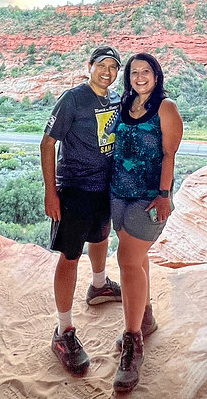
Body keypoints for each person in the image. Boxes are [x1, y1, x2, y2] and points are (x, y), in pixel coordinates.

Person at [40, 44, 125, 376]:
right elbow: (48, 143)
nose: (107, 71)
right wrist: (52, 193)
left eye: (114, 67)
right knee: (71, 254)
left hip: (104, 186)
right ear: (89, 66)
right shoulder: (73, 98)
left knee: (101, 236)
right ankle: (63, 331)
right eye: (102, 64)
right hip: (74, 188)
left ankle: (99, 285)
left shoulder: (115, 100)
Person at [109, 52, 183, 393]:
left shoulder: (165, 108)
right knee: (137, 259)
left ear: (156, 75)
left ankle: (133, 339)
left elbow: (169, 154)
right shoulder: (125, 105)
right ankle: (146, 315)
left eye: (146, 71)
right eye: (134, 72)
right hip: (118, 194)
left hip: (149, 198)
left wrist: (164, 194)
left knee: (126, 261)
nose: (140, 76)